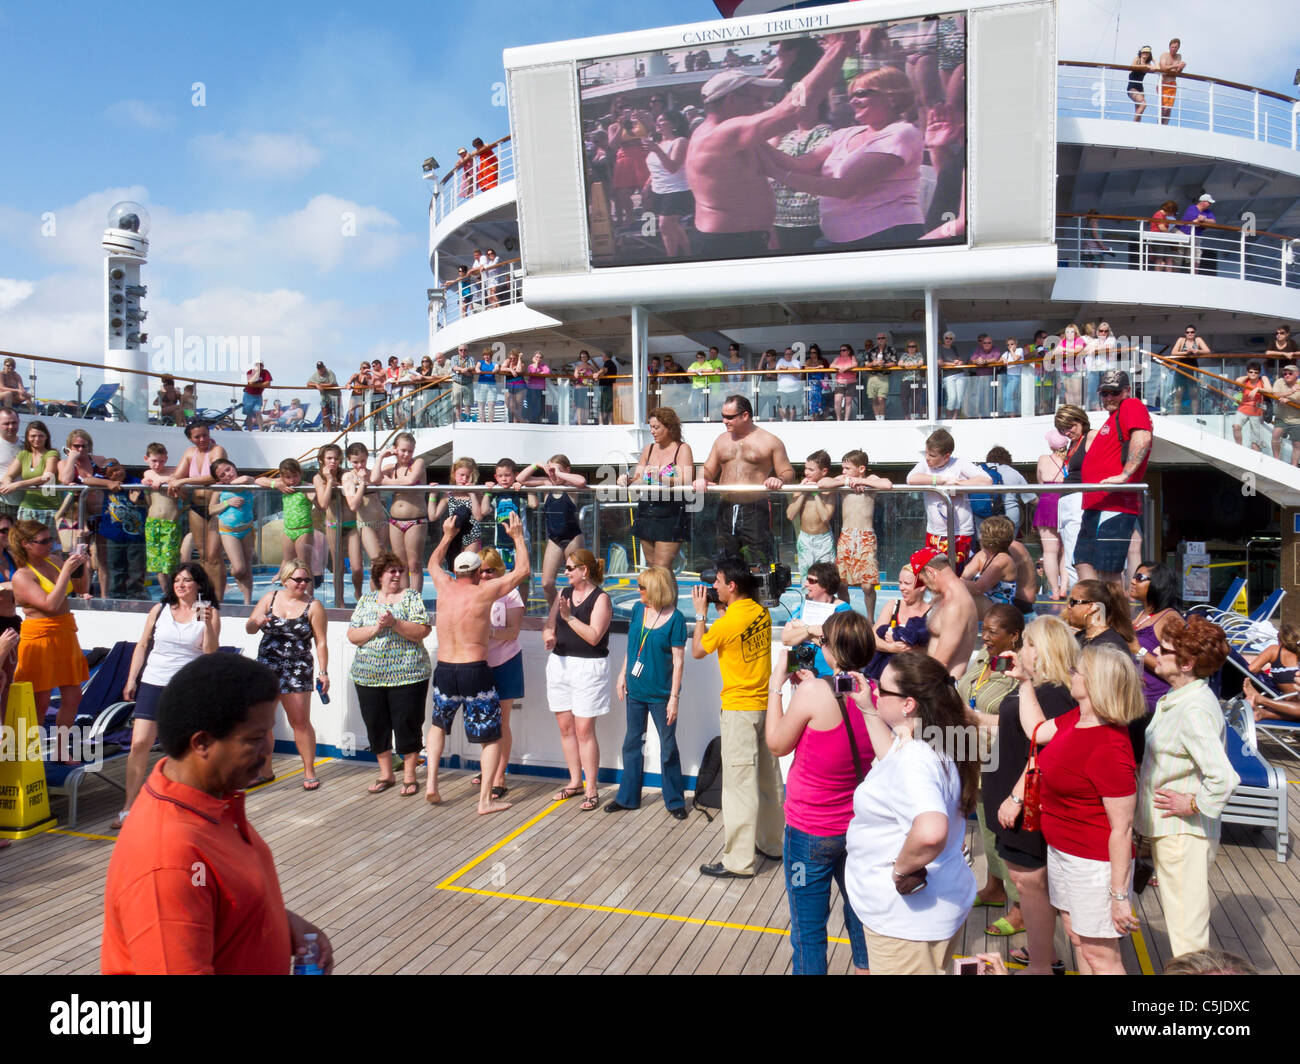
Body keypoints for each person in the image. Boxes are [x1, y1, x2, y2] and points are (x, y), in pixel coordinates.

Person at [101, 653, 334, 975]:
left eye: (267, 734)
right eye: (254, 739)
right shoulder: (168, 861)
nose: (267, 751)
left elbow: (224, 901)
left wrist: (279, 920)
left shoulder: (213, 801)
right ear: (202, 743)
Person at [841, 650, 978, 975]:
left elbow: (931, 830)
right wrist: (868, 708)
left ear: (908, 704)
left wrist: (901, 870)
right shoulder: (939, 738)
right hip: (935, 910)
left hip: (905, 923)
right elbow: (895, 761)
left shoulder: (916, 759)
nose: (875, 690)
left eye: (882, 689)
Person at [1014, 643, 1144, 975]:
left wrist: (1118, 896)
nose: (1071, 673)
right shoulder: (1079, 718)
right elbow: (1038, 731)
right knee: (1078, 940)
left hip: (1093, 866)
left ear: (1096, 682)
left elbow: (1122, 829)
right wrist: (1025, 680)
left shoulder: (1109, 746)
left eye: (1077, 670)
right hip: (1063, 852)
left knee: (1102, 956)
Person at [766, 610, 874, 975]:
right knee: (859, 915)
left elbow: (777, 744)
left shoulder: (813, 693)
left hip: (809, 833)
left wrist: (776, 686)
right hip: (857, 829)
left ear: (831, 650)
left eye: (821, 642)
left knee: (808, 931)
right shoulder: (875, 695)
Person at [684, 36, 850, 258]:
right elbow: (792, 110)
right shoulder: (723, 133)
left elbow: (796, 165)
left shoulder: (730, 136)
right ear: (731, 101)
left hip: (741, 240)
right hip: (726, 245)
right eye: (755, 100)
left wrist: (784, 66)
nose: (762, 106)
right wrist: (839, 48)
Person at [1136, 614, 1237, 957]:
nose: (1155, 653)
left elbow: (1223, 777)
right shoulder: (1179, 698)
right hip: (1174, 833)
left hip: (1185, 835)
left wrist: (1192, 803)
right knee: (1183, 924)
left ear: (1188, 663)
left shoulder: (1193, 709)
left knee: (1187, 934)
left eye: (1164, 651)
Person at [982, 616, 1078, 972]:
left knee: (1030, 882)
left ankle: (1041, 963)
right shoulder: (1042, 687)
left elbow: (1042, 749)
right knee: (1031, 883)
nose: (1021, 649)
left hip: (1024, 806)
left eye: (1027, 644)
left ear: (1042, 649)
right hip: (1013, 798)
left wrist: (1017, 797)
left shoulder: (1053, 694)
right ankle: (1043, 953)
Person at [425, 511, 529, 814]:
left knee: (437, 726)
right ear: (476, 572)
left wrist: (446, 534)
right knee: (491, 736)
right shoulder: (484, 593)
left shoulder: (443, 587)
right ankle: (484, 801)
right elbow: (522, 570)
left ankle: (431, 783)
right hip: (474, 670)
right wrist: (518, 537)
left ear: (457, 571)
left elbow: (432, 563)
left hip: (445, 668)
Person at [691, 557, 782, 878]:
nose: (712, 587)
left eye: (717, 582)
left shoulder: (727, 623)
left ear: (731, 586)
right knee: (769, 781)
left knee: (739, 786)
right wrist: (720, 611)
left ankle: (739, 862)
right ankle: (773, 845)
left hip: (739, 711)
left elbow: (699, 649)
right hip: (765, 707)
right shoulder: (760, 613)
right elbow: (736, 630)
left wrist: (701, 614)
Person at [767, 66, 925, 251]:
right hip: (839, 240)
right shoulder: (845, 133)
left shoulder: (901, 133)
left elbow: (845, 188)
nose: (853, 101)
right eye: (851, 96)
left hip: (888, 236)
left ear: (892, 95)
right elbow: (800, 165)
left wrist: (777, 174)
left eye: (861, 94)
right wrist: (752, 141)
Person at [115, 563, 220, 830]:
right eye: (177, 580)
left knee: (183, 749)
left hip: (186, 686)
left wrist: (207, 625)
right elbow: (142, 645)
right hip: (153, 681)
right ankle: (129, 806)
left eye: (187, 580)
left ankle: (184, 802)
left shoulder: (207, 612)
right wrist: (131, 679)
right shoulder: (160, 609)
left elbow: (210, 652)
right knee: (139, 743)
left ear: (199, 584)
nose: (181, 585)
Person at [955, 604, 1024, 934]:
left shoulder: (1022, 670)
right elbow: (966, 692)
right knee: (986, 827)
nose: (986, 636)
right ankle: (995, 888)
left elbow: (1022, 719)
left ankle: (1021, 907)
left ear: (1015, 636)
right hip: (978, 759)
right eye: (985, 630)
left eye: (994, 632)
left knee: (1006, 834)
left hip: (1005, 762)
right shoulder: (984, 658)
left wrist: (977, 718)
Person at [606, 565, 688, 818]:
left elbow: (678, 662)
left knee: (667, 746)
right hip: (635, 690)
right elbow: (633, 649)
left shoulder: (676, 619)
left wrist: (674, 698)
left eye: (642, 587)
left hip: (661, 694)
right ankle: (628, 797)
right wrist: (622, 674)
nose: (637, 590)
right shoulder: (638, 610)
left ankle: (675, 801)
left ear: (655, 589)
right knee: (633, 743)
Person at [348, 551, 432, 797]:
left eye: (399, 571)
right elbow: (353, 635)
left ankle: (409, 775)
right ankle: (386, 773)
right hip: (368, 676)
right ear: (379, 575)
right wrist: (378, 626)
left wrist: (395, 623)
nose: (397, 575)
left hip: (408, 674)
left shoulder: (412, 598)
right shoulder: (366, 601)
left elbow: (421, 631)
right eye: (391, 571)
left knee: (408, 723)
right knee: (376, 724)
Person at [9, 520, 90, 759]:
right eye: (43, 541)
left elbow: (79, 586)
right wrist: (66, 570)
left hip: (64, 633)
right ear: (26, 544)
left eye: (50, 539)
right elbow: (50, 604)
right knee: (40, 702)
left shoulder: (53, 561)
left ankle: (60, 750)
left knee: (74, 696)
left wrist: (83, 565)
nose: (50, 545)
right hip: (39, 638)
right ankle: (28, 755)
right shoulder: (22, 576)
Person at [246, 560, 329, 790]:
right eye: (298, 579)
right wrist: (257, 621)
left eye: (306, 580)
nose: (303, 583)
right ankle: (264, 770)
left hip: (297, 667)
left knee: (299, 722)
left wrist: (323, 672)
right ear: (285, 580)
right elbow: (250, 628)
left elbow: (321, 642)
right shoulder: (270, 598)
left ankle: (309, 771)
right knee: (263, 722)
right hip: (267, 666)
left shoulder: (314, 606)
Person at [543, 548, 613, 813]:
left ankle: (591, 788)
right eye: (566, 568)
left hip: (589, 668)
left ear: (584, 570)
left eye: (571, 568)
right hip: (560, 665)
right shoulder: (563, 594)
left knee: (584, 731)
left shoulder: (602, 599)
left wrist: (569, 618)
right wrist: (548, 636)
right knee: (566, 728)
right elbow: (549, 625)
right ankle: (574, 781)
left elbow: (594, 636)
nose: (566, 572)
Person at [692, 394, 796, 569]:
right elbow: (709, 468)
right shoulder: (721, 440)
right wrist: (702, 478)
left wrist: (778, 479)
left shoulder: (770, 441)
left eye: (730, 417)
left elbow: (788, 471)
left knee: (758, 560)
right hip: (726, 506)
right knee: (726, 560)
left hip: (755, 508)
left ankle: (761, 595)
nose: (724, 421)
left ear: (745, 415)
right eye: (723, 416)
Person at [1077, 370, 1152, 585]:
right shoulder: (1114, 417)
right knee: (1084, 562)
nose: (1109, 397)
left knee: (1108, 572)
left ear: (1126, 391)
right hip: (1099, 504)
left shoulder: (1131, 405)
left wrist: (1125, 474)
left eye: (1114, 392)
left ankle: (1114, 617)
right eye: (1105, 393)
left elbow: (1142, 436)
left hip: (1112, 505)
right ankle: (1094, 613)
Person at [905, 428, 992, 571]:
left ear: (946, 457)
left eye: (932, 455)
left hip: (960, 532)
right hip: (934, 532)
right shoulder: (925, 465)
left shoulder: (960, 463)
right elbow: (911, 479)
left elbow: (986, 481)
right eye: (926, 453)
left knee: (957, 573)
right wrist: (940, 480)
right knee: (934, 573)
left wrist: (959, 485)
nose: (927, 458)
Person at [818, 450, 892, 617]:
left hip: (865, 536)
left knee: (867, 585)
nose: (843, 471)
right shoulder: (844, 481)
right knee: (842, 584)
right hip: (847, 536)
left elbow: (887, 484)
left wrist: (861, 481)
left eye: (847, 468)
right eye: (843, 468)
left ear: (861, 468)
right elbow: (823, 483)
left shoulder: (870, 480)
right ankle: (847, 616)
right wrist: (847, 480)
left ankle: (870, 619)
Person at [620, 406, 694, 574]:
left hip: (671, 513)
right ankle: (659, 601)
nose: (652, 431)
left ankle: (667, 601)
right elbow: (638, 477)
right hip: (647, 511)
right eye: (651, 427)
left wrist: (661, 478)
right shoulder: (649, 449)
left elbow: (687, 479)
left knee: (662, 569)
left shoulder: (682, 449)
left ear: (670, 427)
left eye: (656, 427)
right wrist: (627, 479)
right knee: (654, 569)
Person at [475, 548, 524, 800]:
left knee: (502, 723)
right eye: (480, 570)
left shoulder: (510, 593)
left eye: (490, 569)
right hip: (480, 663)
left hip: (505, 662)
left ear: (499, 571)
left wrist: (489, 632)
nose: (485, 575)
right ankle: (489, 769)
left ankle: (499, 777)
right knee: (486, 722)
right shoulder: (472, 592)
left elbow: (513, 631)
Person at [515, 455, 587, 608]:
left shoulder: (570, 485)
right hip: (554, 539)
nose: (553, 474)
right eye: (551, 470)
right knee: (547, 583)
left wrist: (559, 473)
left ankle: (578, 612)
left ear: (567, 470)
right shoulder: (547, 484)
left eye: (557, 470)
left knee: (578, 581)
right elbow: (520, 478)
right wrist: (536, 465)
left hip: (573, 538)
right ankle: (559, 611)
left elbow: (582, 481)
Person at [169, 422, 227, 600]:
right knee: (202, 556)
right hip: (196, 506)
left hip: (216, 507)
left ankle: (218, 600)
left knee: (214, 556)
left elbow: (215, 475)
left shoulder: (218, 450)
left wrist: (183, 482)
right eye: (197, 437)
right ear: (190, 439)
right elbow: (176, 476)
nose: (202, 439)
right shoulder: (189, 453)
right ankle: (207, 596)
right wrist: (175, 482)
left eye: (204, 435)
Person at [371, 432, 427, 592]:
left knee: (414, 564)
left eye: (410, 451)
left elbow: (409, 481)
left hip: (416, 520)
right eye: (403, 450)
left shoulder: (418, 463)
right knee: (400, 565)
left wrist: (388, 482)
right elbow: (374, 479)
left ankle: (415, 601)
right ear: (395, 450)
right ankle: (403, 600)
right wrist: (381, 457)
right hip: (395, 521)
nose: (406, 454)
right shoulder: (392, 467)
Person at [911, 547, 977, 679]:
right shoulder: (943, 597)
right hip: (936, 680)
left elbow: (942, 661)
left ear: (930, 572)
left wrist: (916, 684)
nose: (925, 586)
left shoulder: (955, 604)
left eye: (923, 580)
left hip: (945, 684)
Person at [781, 562, 854, 679]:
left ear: (826, 585)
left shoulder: (843, 610)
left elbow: (836, 646)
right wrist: (811, 631)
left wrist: (804, 628)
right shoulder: (802, 606)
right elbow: (786, 639)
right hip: (799, 673)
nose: (805, 584)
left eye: (811, 581)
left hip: (828, 676)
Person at [1131, 561, 1182, 715]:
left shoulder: (1170, 619)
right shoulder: (1142, 614)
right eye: (1134, 576)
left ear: (1158, 584)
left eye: (1140, 578)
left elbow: (1177, 671)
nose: (1133, 581)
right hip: (1135, 698)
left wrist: (1137, 650)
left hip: (1155, 703)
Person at [962, 515, 1037, 620]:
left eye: (982, 533)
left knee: (960, 599)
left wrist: (953, 583)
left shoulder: (1004, 558)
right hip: (990, 606)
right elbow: (964, 576)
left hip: (1009, 610)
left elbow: (978, 588)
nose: (979, 536)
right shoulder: (982, 555)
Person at [641, 111, 694, 258]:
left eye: (662, 120)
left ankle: (671, 259)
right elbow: (655, 169)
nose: (658, 123)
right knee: (673, 226)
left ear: (674, 124)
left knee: (664, 226)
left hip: (677, 190)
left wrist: (657, 151)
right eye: (657, 120)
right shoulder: (658, 143)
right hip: (659, 190)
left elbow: (673, 168)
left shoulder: (680, 142)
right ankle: (689, 254)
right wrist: (647, 186)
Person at [867, 564, 930, 679]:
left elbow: (936, 650)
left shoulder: (932, 613)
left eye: (907, 583)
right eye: (900, 583)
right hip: (886, 673)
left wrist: (912, 649)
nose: (901, 587)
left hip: (916, 675)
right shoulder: (893, 605)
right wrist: (891, 647)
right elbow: (872, 638)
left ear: (922, 586)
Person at [208, 459, 256, 605]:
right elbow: (211, 509)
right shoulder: (219, 489)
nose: (228, 474)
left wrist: (237, 482)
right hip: (228, 531)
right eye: (222, 475)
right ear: (218, 479)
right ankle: (235, 574)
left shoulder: (245, 481)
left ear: (234, 466)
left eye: (228, 469)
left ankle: (247, 603)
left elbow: (250, 479)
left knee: (247, 566)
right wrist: (227, 503)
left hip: (246, 529)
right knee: (239, 568)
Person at [255, 458, 314, 571]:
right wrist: (275, 484)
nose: (292, 480)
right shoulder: (282, 484)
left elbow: (319, 502)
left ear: (300, 473)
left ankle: (309, 589)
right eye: (288, 477)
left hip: (303, 530)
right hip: (288, 530)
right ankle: (282, 582)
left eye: (295, 476)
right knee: (287, 561)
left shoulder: (306, 487)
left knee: (304, 565)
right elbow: (258, 481)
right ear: (282, 477)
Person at [1033, 428, 1071, 600]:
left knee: (1050, 552)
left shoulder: (1043, 459)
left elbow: (1040, 482)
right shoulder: (1070, 460)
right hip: (1066, 501)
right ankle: (1064, 588)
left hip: (1047, 502)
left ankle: (1054, 590)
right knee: (1066, 550)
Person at [140, 443, 182, 596]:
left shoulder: (173, 472)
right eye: (154, 461)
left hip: (170, 522)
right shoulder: (148, 474)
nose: (158, 465)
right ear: (146, 459)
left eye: (162, 461)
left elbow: (176, 478)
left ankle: (175, 592)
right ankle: (166, 594)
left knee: (170, 561)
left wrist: (163, 481)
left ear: (166, 459)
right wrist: (145, 484)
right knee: (156, 563)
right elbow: (148, 480)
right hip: (152, 522)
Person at [786, 450, 835, 576]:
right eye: (805, 468)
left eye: (811, 470)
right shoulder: (800, 488)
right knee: (806, 577)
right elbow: (790, 515)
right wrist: (804, 492)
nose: (806, 472)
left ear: (824, 471)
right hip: (805, 539)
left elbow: (825, 517)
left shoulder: (829, 490)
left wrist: (815, 493)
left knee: (826, 578)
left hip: (824, 539)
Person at [2, 420, 58, 529]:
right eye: (33, 436)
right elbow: (8, 475)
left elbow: (47, 477)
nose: (36, 439)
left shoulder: (52, 454)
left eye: (40, 436)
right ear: (27, 437)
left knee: (44, 544)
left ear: (46, 437)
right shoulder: (24, 455)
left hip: (47, 508)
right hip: (26, 508)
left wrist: (17, 485)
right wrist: (8, 484)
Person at [1231, 361, 1270, 452]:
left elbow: (1270, 390)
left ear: (1259, 373)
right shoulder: (1245, 380)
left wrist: (1258, 389)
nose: (1253, 374)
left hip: (1257, 411)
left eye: (1256, 372)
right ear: (1247, 372)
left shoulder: (1262, 379)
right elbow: (1237, 381)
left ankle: (1256, 462)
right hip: (1243, 408)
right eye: (1251, 372)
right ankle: (1239, 449)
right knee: (1236, 427)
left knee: (1255, 441)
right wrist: (1248, 376)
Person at [1268, 364, 1300, 464]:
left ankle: (1294, 466)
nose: (1287, 375)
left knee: (1297, 444)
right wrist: (1290, 392)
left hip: (1297, 419)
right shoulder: (1279, 382)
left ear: (1297, 374)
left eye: (1290, 373)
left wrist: (1290, 400)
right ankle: (1276, 461)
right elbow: (1275, 395)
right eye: (1285, 373)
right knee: (1276, 436)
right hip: (1282, 417)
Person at [863, 332, 898, 421]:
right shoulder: (871, 350)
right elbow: (866, 364)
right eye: (879, 338)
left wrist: (885, 365)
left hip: (884, 377)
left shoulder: (891, 349)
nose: (880, 340)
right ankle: (877, 418)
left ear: (886, 339)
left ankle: (881, 419)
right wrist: (874, 363)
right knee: (874, 399)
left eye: (882, 338)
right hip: (872, 377)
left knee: (881, 398)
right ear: (877, 340)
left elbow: (894, 362)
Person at [938, 332, 967, 418]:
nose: (948, 340)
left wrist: (960, 362)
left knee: (959, 399)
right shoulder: (939, 349)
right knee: (952, 398)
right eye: (947, 338)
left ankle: (954, 418)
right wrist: (953, 364)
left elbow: (960, 359)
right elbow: (940, 363)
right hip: (948, 376)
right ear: (944, 339)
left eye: (950, 338)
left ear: (953, 340)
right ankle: (948, 418)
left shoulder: (954, 348)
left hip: (960, 374)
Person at [1157, 39, 1185, 125]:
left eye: (1175, 47)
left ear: (1178, 48)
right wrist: (1176, 65)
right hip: (1163, 83)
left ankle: (1165, 125)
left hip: (1172, 84)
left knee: (1169, 108)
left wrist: (1181, 67)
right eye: (1172, 47)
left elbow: (1177, 72)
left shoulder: (1178, 56)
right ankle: (1159, 125)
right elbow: (1163, 68)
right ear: (1169, 47)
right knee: (1164, 108)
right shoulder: (1164, 55)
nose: (1173, 49)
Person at [306, 361, 340, 431]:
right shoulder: (316, 375)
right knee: (324, 413)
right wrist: (316, 385)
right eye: (319, 368)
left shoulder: (330, 372)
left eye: (321, 367)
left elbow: (332, 383)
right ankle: (329, 430)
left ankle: (337, 430)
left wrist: (320, 385)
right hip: (324, 398)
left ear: (324, 367)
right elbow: (308, 384)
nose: (320, 369)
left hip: (335, 397)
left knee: (336, 414)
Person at [1127, 46, 1156, 121]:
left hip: (1140, 87)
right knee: (1143, 104)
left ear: (1149, 54)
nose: (1145, 54)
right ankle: (1134, 124)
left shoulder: (1148, 64)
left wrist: (1154, 60)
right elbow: (1132, 67)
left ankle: (1137, 126)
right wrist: (1145, 66)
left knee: (1138, 109)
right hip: (1132, 86)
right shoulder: (1137, 59)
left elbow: (1158, 68)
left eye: (1147, 52)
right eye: (1144, 52)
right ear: (1141, 52)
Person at [774, 347, 803, 420]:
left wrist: (785, 369)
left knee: (792, 407)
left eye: (790, 354)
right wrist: (790, 369)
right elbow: (778, 370)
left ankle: (791, 422)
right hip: (782, 389)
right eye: (786, 354)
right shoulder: (781, 360)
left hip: (794, 389)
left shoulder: (796, 361)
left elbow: (796, 372)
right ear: (784, 355)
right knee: (781, 406)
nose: (788, 355)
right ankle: (784, 420)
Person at [242, 362, 272, 430]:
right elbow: (250, 382)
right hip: (248, 395)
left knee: (258, 412)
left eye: (260, 365)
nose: (259, 367)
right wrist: (257, 373)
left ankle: (261, 430)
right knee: (249, 414)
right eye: (257, 365)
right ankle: (250, 430)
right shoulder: (250, 372)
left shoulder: (266, 372)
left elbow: (268, 384)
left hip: (258, 395)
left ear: (263, 366)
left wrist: (256, 385)